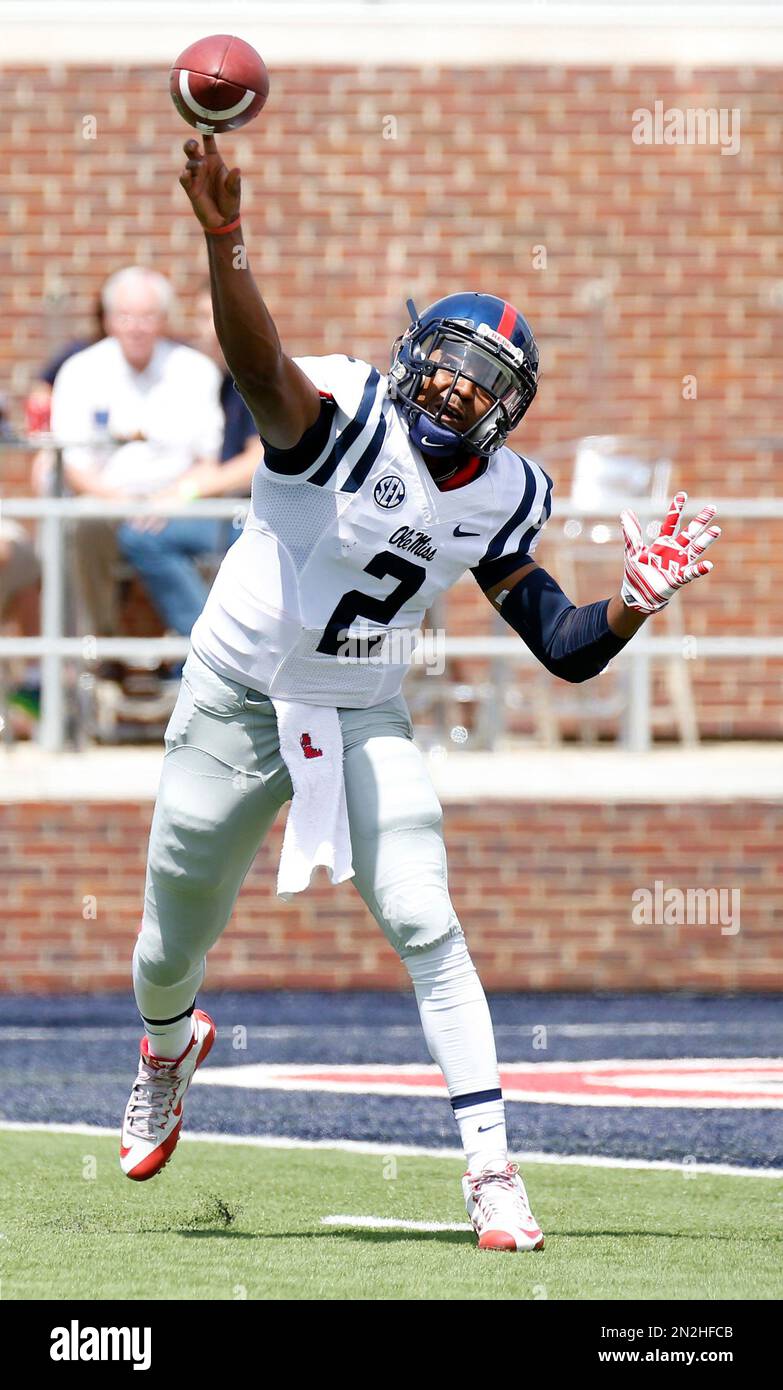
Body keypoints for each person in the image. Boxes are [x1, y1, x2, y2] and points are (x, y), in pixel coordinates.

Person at [120, 135, 720, 1252]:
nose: (456, 386)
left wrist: (630, 605)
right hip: (237, 693)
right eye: (446, 362)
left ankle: (492, 1173)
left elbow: (563, 644)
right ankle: (165, 1051)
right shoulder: (346, 411)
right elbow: (260, 373)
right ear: (408, 355)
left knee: (428, 920)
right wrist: (224, 241)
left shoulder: (503, 493)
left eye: (486, 381)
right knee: (166, 939)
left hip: (359, 706)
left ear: (510, 412)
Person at [50, 266, 225, 643]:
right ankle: (102, 646)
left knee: (226, 536)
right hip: (107, 502)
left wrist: (173, 498)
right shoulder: (80, 371)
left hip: (180, 503)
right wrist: (125, 503)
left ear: (163, 320)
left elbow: (209, 460)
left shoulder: (196, 370)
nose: (137, 327)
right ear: (109, 320)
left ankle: (204, 645)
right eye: (126, 316)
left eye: (147, 317)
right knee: (84, 527)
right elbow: (73, 466)